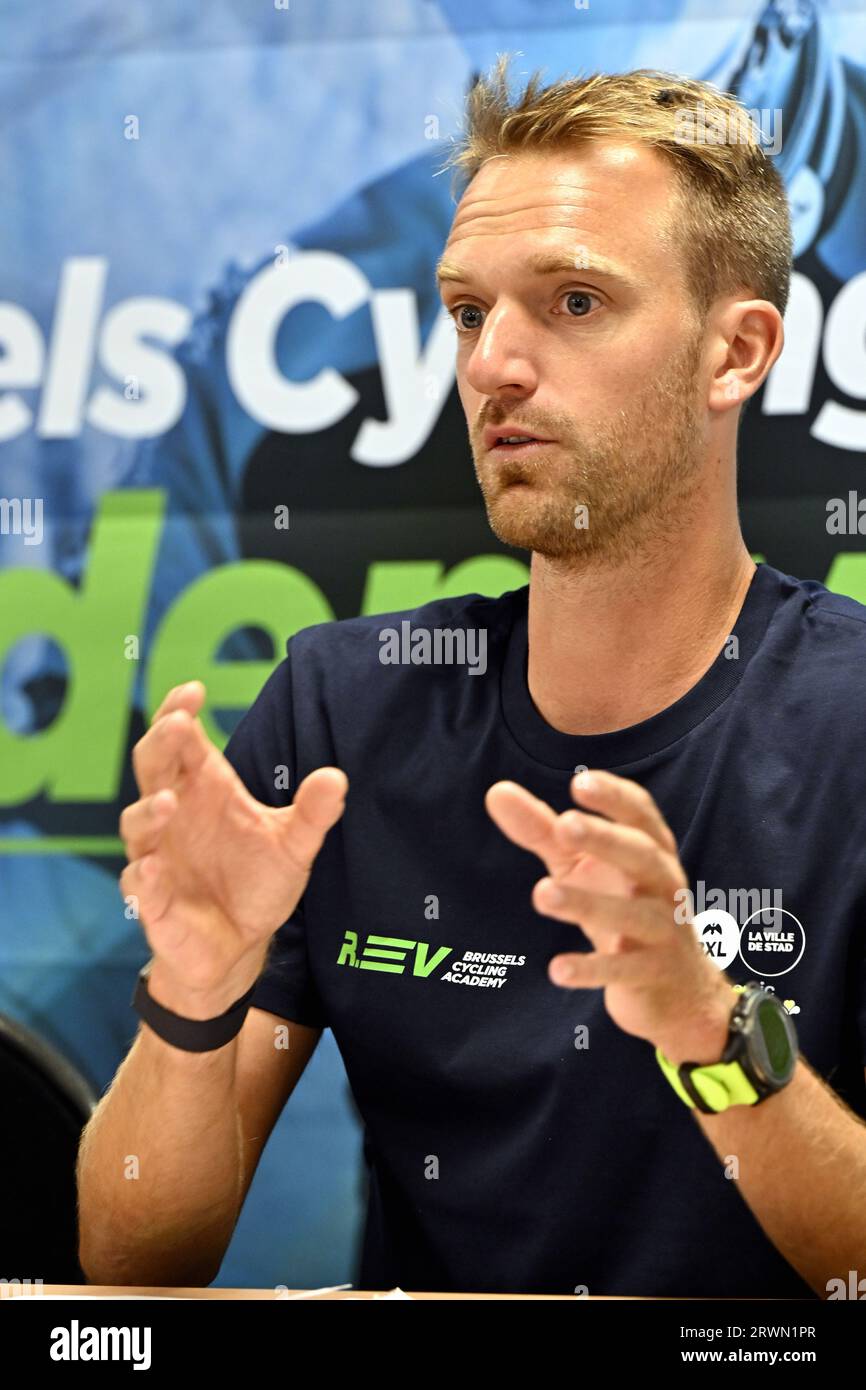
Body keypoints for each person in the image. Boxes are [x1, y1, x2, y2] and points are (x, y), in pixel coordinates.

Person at [77, 60, 866, 1298]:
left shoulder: (850, 719)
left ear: (737, 352)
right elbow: (135, 1264)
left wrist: (714, 1037)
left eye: (573, 302)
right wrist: (191, 1002)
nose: (493, 361)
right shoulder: (343, 707)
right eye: (464, 310)